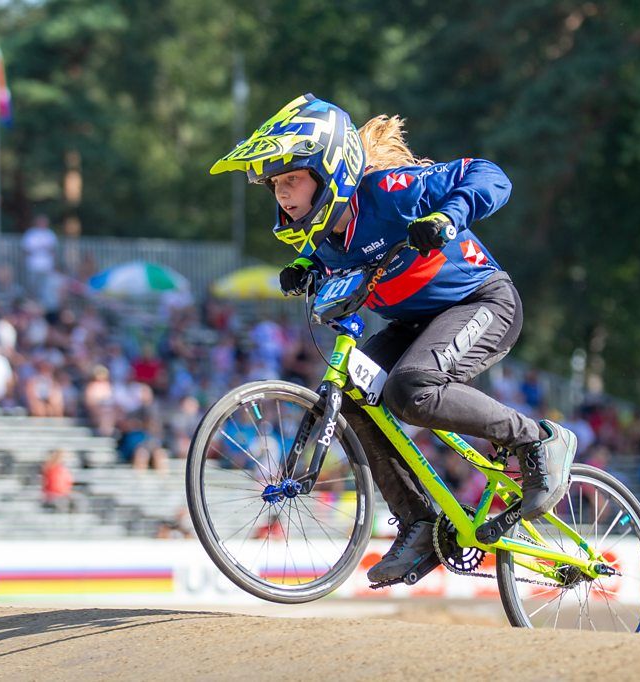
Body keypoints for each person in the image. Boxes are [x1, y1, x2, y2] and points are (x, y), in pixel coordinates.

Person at [210, 94, 578, 585]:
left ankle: (538, 440)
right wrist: (305, 269)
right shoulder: (317, 237)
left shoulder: (390, 192)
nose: (281, 193)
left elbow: (491, 175)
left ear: (328, 173)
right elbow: (338, 258)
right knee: (355, 400)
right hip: (413, 324)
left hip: (482, 303)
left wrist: (448, 217)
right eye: (276, 184)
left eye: (291, 178)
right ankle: (420, 524)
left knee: (411, 389)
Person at [21, 214, 58, 295]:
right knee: (32, 287)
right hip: (33, 266)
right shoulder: (30, 234)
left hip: (47, 266)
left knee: (46, 288)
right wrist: (38, 249)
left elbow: (53, 251)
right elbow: (26, 250)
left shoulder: (50, 234)